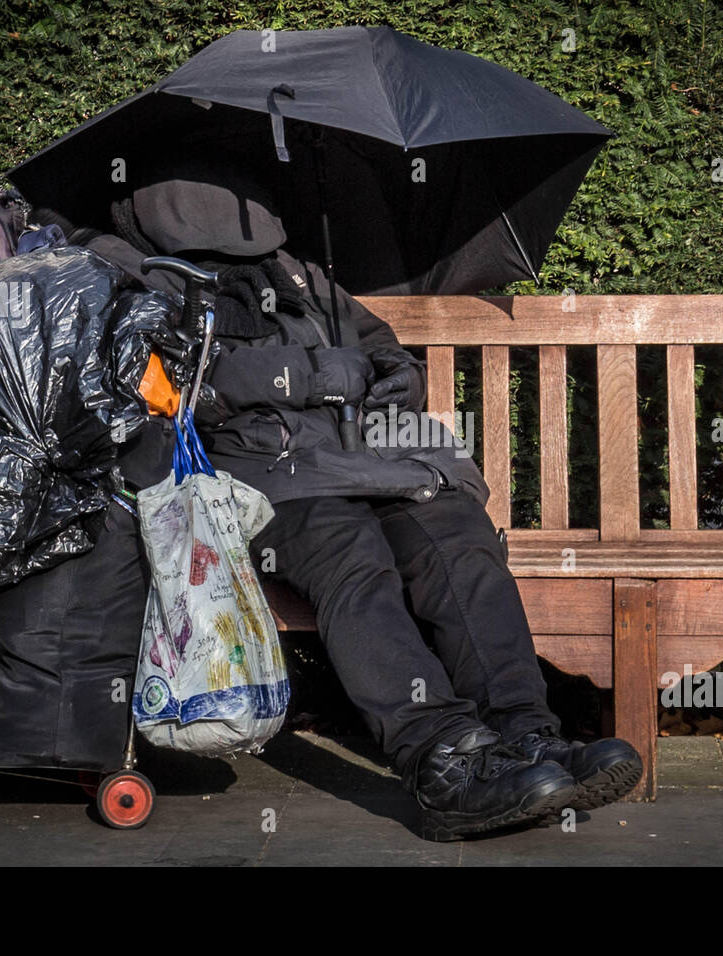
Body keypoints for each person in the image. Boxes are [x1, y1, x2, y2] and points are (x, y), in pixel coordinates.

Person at [80, 158, 643, 841]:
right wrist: (313, 376)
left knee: (456, 532)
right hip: (253, 485)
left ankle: (524, 733)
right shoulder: (136, 275)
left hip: (358, 463)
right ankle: (443, 759)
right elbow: (164, 383)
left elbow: (382, 347)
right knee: (352, 553)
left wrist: (394, 381)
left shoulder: (300, 274)